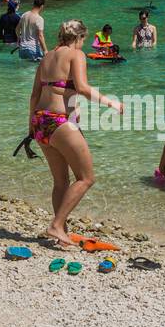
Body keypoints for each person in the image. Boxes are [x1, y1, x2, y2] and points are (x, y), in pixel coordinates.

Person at [28, 19, 124, 247]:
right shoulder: (76, 54)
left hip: (40, 120)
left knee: (60, 182)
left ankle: (62, 233)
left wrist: (30, 127)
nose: (83, 45)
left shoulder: (47, 56)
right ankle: (56, 225)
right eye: (83, 40)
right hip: (59, 122)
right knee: (86, 177)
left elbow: (35, 94)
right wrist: (111, 103)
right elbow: (82, 87)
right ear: (79, 38)